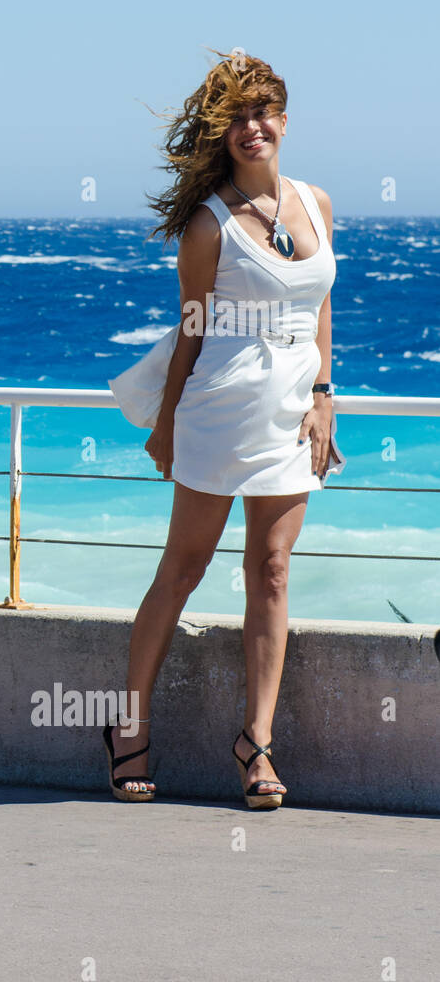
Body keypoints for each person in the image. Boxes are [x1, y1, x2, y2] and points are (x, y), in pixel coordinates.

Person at [106, 49, 342, 809]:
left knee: (271, 571)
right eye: (236, 115)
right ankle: (128, 725)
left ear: (283, 118)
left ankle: (257, 742)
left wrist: (325, 394)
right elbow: (191, 330)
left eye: (263, 110)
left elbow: (319, 303)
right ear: (221, 130)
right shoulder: (209, 225)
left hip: (292, 410)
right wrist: (168, 424)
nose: (252, 126)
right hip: (219, 407)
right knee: (182, 570)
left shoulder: (317, 202)